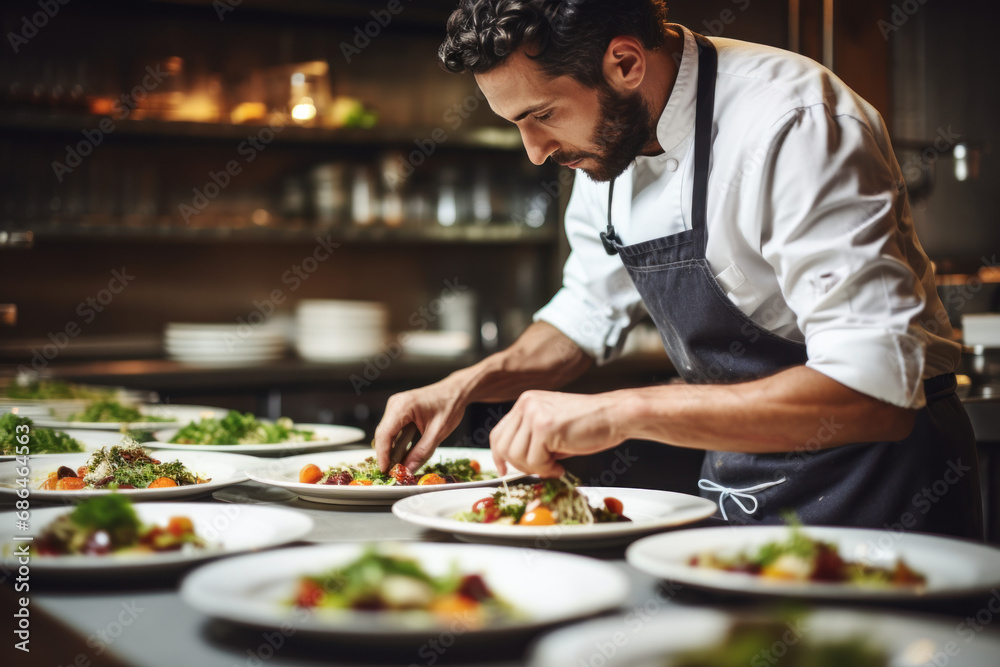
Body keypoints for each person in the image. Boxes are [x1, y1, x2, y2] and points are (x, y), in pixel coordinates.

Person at [373, 0, 983, 538]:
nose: (536, 152)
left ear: (626, 64)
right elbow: (585, 317)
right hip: (739, 484)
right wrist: (465, 386)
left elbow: (873, 392)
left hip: (881, 491)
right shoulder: (603, 149)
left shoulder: (792, 121)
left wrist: (618, 411)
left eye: (543, 115)